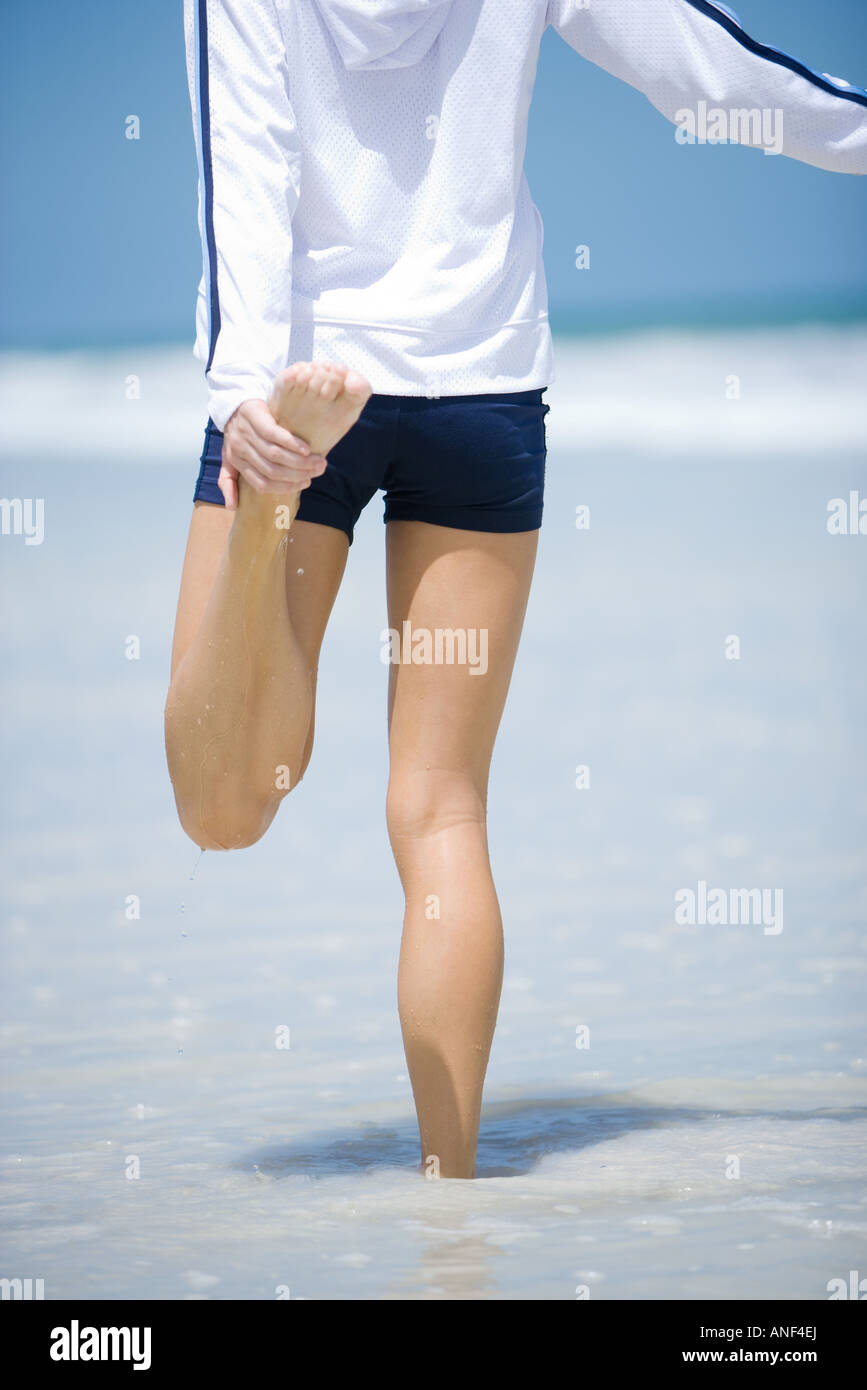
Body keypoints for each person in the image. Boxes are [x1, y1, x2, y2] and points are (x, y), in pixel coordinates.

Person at [165, 1, 867, 1179]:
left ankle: (270, 505)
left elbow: (244, 145)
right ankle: (456, 1202)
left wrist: (249, 400)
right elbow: (711, 74)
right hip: (481, 384)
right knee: (441, 809)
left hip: (298, 379)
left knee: (223, 808)